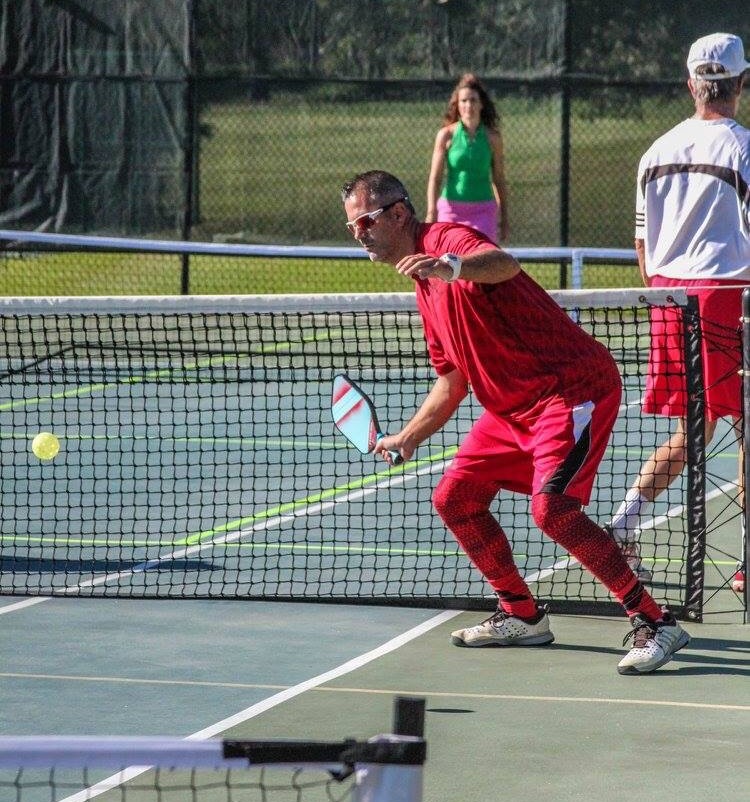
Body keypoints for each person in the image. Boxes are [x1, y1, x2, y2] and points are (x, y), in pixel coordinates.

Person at [341, 169, 690, 675]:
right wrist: (408, 437)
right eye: (352, 226)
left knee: (553, 511)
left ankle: (655, 623)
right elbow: (452, 382)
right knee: (454, 498)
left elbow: (503, 264)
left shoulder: (445, 242)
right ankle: (521, 615)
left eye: (365, 221)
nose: (359, 234)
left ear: (398, 214)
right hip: (510, 411)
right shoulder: (423, 286)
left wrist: (452, 266)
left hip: (568, 389)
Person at [608, 32, 750, 594]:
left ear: (692, 85)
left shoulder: (653, 153)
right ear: (739, 84)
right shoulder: (744, 148)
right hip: (728, 299)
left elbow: (643, 248)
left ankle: (622, 524)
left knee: (699, 430)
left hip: (669, 301)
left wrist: (671, 297)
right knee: (744, 434)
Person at [426, 73, 509, 244]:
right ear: (457, 105)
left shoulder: (492, 138)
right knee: (447, 262)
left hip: (483, 211)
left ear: (481, 105)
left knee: (482, 263)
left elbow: (499, 178)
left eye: (473, 100)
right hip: (451, 210)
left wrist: (504, 216)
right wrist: (431, 211)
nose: (468, 105)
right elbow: (435, 179)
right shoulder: (446, 135)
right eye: (464, 101)